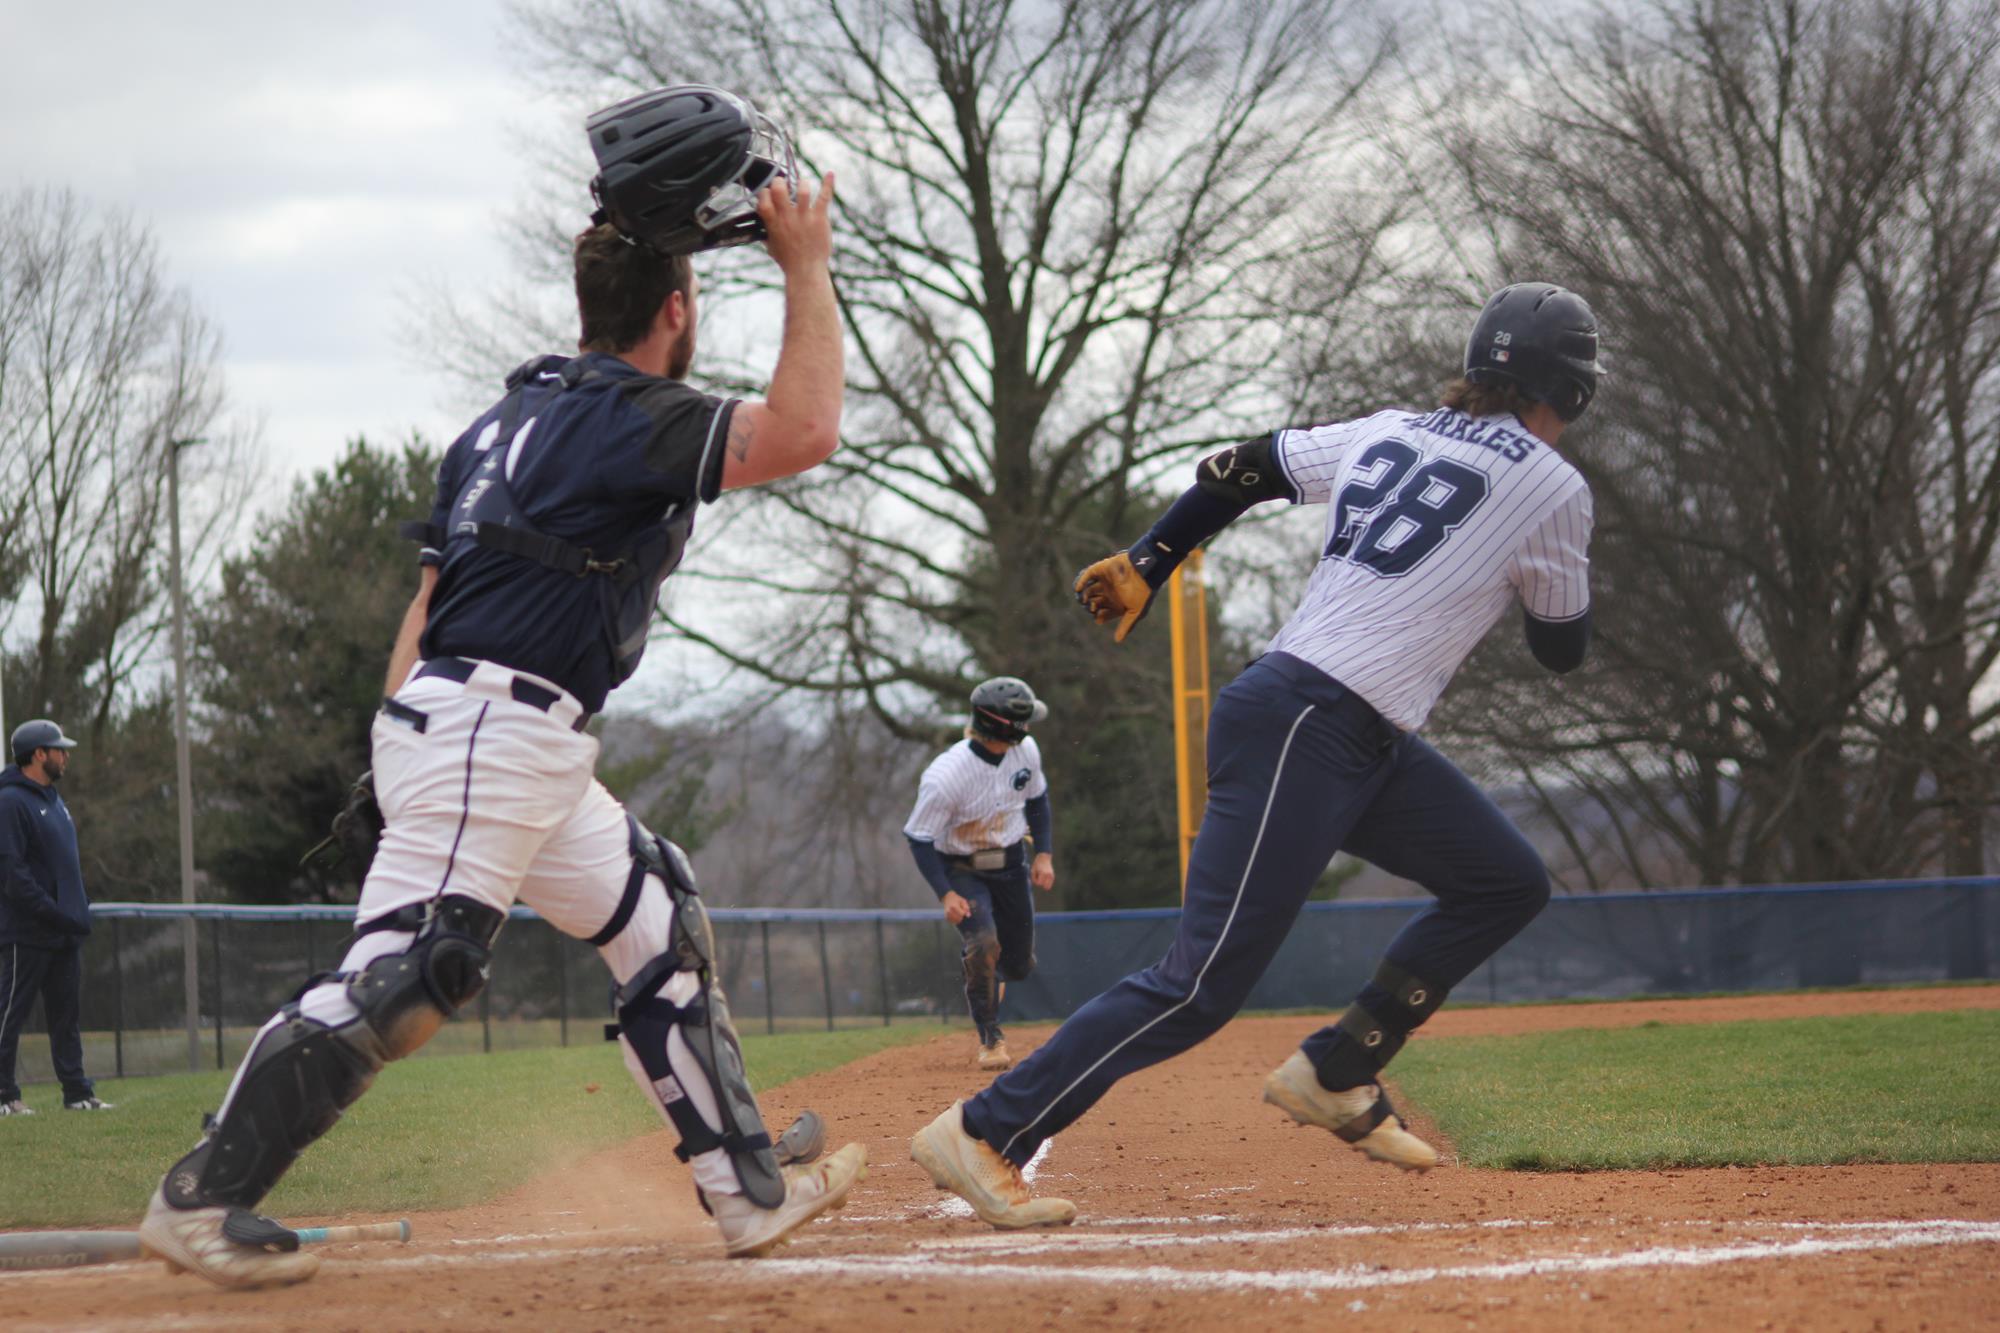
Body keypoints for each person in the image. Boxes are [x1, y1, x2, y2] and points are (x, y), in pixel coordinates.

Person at [139, 84, 861, 1287]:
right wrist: (807, 265)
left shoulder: (504, 420)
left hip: (494, 734)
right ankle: (203, 1197)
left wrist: (394, 748)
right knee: (414, 973)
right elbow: (805, 429)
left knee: (654, 915)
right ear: (675, 310)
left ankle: (745, 1191)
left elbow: (426, 607)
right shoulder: (627, 419)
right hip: (494, 731)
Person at [911, 283, 1601, 1227]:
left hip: (1347, 729)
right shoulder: (1555, 485)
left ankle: (1339, 1067)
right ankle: (985, 1129)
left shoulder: (1392, 427)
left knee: (1505, 880)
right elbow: (1562, 649)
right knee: (1197, 984)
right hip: (1308, 721)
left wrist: (1152, 558)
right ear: (1573, 390)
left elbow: (1238, 467)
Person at [904, 678, 1057, 1072]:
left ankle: (984, 971)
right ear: (1003, 728)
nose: (1028, 728)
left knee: (1018, 964)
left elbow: (1037, 799)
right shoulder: (946, 776)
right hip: (962, 868)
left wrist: (1043, 854)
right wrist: (945, 894)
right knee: (984, 943)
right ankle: (991, 1037)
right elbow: (919, 837)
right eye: (1022, 721)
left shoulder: (1026, 750)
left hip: (1010, 863)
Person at [0, 719, 112, 1116]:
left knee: (66, 1017)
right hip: (28, 931)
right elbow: (13, 874)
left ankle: (77, 1092)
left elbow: (63, 867)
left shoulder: (54, 800)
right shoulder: (11, 801)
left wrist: (75, 908)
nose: (65, 756)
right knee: (9, 1014)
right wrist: (52, 911)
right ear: (38, 754)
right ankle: (4, 1096)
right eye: (58, 749)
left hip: (63, 932)